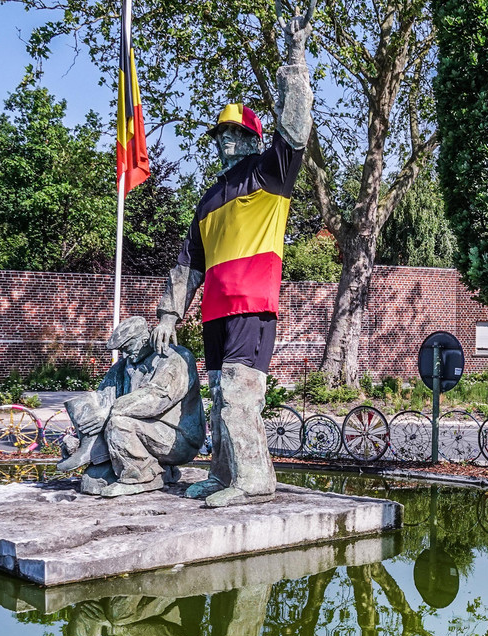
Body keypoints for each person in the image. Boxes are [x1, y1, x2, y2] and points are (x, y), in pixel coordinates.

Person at [152, 2, 313, 508]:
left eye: (234, 133)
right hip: (215, 315)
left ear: (252, 137)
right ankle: (225, 474)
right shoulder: (208, 197)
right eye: (220, 134)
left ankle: (255, 480)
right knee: (223, 396)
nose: (224, 141)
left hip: (251, 307)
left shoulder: (271, 172)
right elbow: (188, 264)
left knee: (242, 395)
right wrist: (168, 312)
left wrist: (295, 60)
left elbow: (296, 128)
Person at [57, 316, 205, 497]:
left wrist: (109, 413)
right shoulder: (124, 366)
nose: (124, 355)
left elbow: (156, 397)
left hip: (177, 439)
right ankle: (89, 449)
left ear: (144, 340)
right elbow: (103, 396)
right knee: (93, 479)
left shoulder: (174, 358)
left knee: (119, 422)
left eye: (127, 348)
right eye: (121, 350)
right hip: (140, 433)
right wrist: (82, 431)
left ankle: (142, 476)